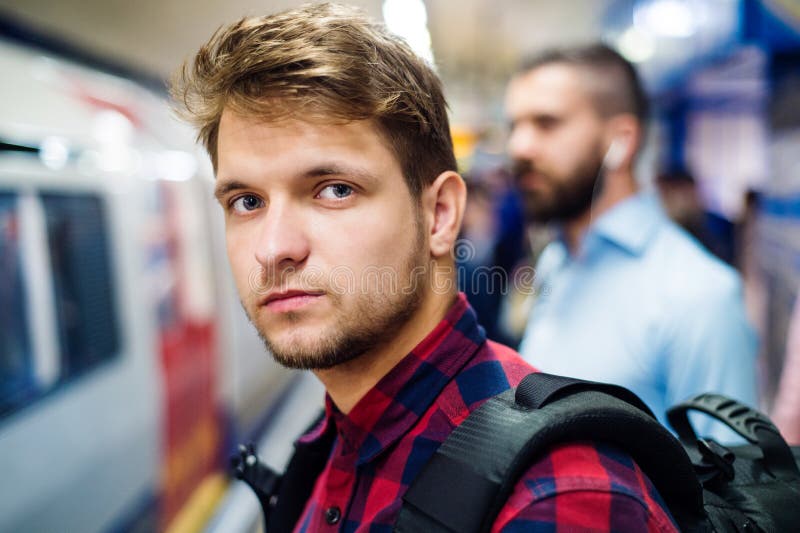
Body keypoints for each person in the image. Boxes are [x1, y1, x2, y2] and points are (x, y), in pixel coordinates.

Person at [172, 5, 677, 531]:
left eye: (335, 190)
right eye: (246, 202)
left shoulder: (560, 499)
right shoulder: (331, 444)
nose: (273, 248)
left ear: (439, 215)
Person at [505, 44, 758, 441]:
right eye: (514, 126)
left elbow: (735, 492)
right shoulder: (558, 260)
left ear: (621, 141)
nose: (519, 147)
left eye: (546, 123)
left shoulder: (699, 294)